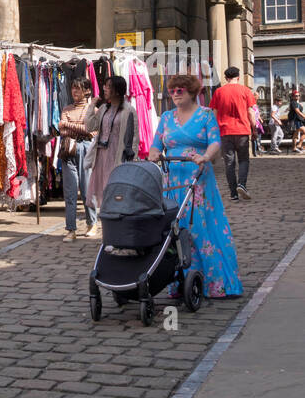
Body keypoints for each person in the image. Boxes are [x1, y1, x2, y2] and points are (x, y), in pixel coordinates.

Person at [149, 73, 242, 297]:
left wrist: (206, 157)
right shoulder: (166, 118)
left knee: (200, 226)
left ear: (192, 92)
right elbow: (155, 144)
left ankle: (214, 282)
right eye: (172, 91)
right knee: (175, 228)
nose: (175, 95)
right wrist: (153, 156)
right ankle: (179, 278)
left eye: (180, 90)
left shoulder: (206, 115)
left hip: (198, 179)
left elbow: (215, 142)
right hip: (173, 181)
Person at [84, 72, 138, 236]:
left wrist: (130, 161)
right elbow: (90, 127)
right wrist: (91, 105)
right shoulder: (104, 108)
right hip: (102, 157)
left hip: (117, 158)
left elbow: (133, 138)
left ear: (116, 90)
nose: (104, 89)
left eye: (108, 87)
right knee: (105, 195)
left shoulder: (129, 110)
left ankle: (119, 231)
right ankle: (109, 232)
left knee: (117, 195)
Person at [57, 76, 98, 241]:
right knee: (70, 191)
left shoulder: (92, 110)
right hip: (69, 149)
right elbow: (62, 131)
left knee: (87, 188)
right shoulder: (66, 109)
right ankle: (71, 229)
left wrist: (68, 125)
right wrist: (78, 127)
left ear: (87, 90)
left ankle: (92, 223)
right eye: (73, 88)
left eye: (78, 88)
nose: (75, 91)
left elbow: (91, 130)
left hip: (87, 149)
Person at [210, 66, 257, 201]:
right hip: (242, 131)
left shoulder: (219, 92)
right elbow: (250, 112)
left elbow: (214, 113)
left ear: (226, 78)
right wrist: (254, 129)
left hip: (225, 132)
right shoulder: (245, 90)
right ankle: (242, 184)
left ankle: (233, 193)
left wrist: (214, 130)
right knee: (243, 160)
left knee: (229, 163)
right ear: (238, 76)